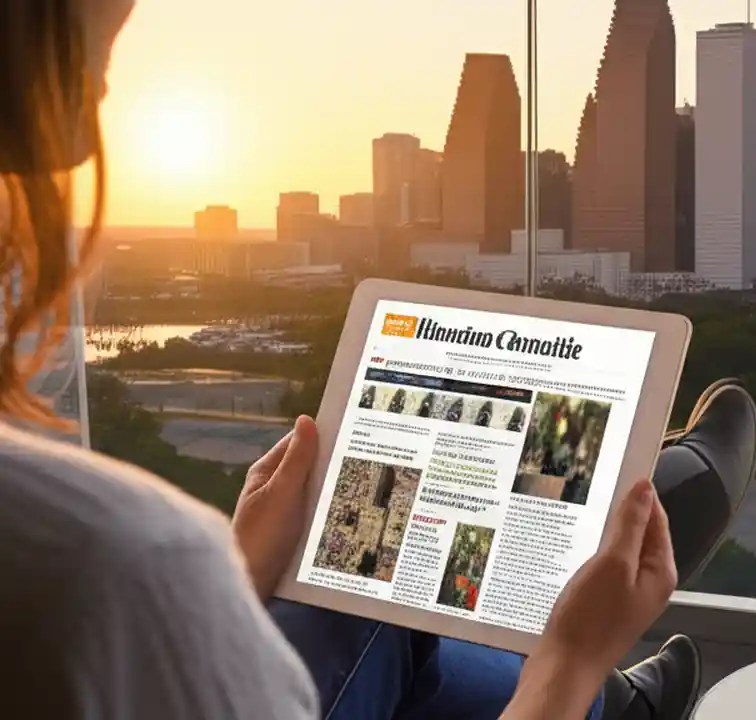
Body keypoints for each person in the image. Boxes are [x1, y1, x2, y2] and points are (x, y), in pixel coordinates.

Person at [0, 1, 700, 718]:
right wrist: (571, 665)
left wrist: (241, 572)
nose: (83, 142)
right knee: (367, 597)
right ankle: (609, 702)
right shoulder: (108, 564)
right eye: (88, 75)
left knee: (354, 586)